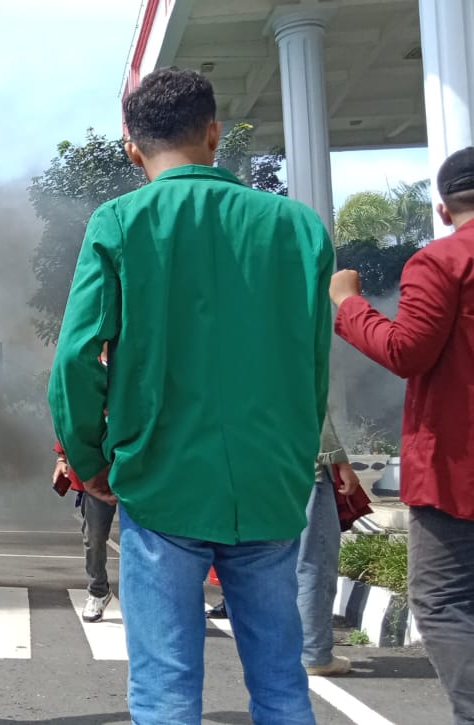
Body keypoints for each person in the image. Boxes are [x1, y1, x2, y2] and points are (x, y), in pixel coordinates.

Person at [48, 67, 332, 725]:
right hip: (269, 484)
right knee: (283, 689)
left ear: (131, 148)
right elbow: (314, 364)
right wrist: (295, 457)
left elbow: (76, 358)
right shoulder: (299, 227)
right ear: (213, 134)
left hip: (160, 484)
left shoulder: (119, 222)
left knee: (166, 694)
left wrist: (90, 461)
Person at [331, 146, 474, 723]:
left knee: (440, 601)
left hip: (456, 471)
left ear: (442, 209)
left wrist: (348, 304)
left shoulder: (442, 262)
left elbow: (405, 350)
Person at [52, 347, 114, 623]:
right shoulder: (85, 367)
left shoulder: (140, 359)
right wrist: (62, 457)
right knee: (94, 535)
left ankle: (155, 599)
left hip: (138, 465)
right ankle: (98, 590)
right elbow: (68, 413)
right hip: (96, 468)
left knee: (153, 538)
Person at [299, 416, 361, 677]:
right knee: (315, 560)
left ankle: (283, 649)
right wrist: (340, 462)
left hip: (257, 468)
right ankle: (315, 653)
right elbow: (314, 404)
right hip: (303, 465)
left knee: (273, 563)